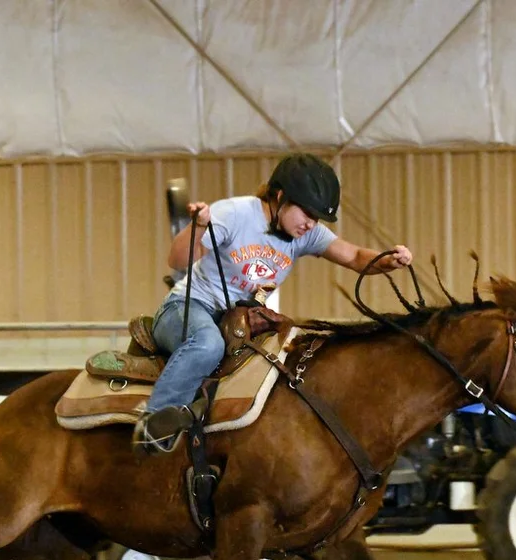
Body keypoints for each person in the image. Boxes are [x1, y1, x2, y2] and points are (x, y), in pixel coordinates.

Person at [132, 152, 413, 455]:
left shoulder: (305, 234)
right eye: (306, 213)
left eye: (317, 218)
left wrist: (387, 260)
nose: (310, 224)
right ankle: (153, 428)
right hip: (186, 307)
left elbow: (355, 257)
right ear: (280, 197)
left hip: (236, 321)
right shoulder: (235, 214)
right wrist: (198, 228)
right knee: (207, 344)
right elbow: (176, 260)